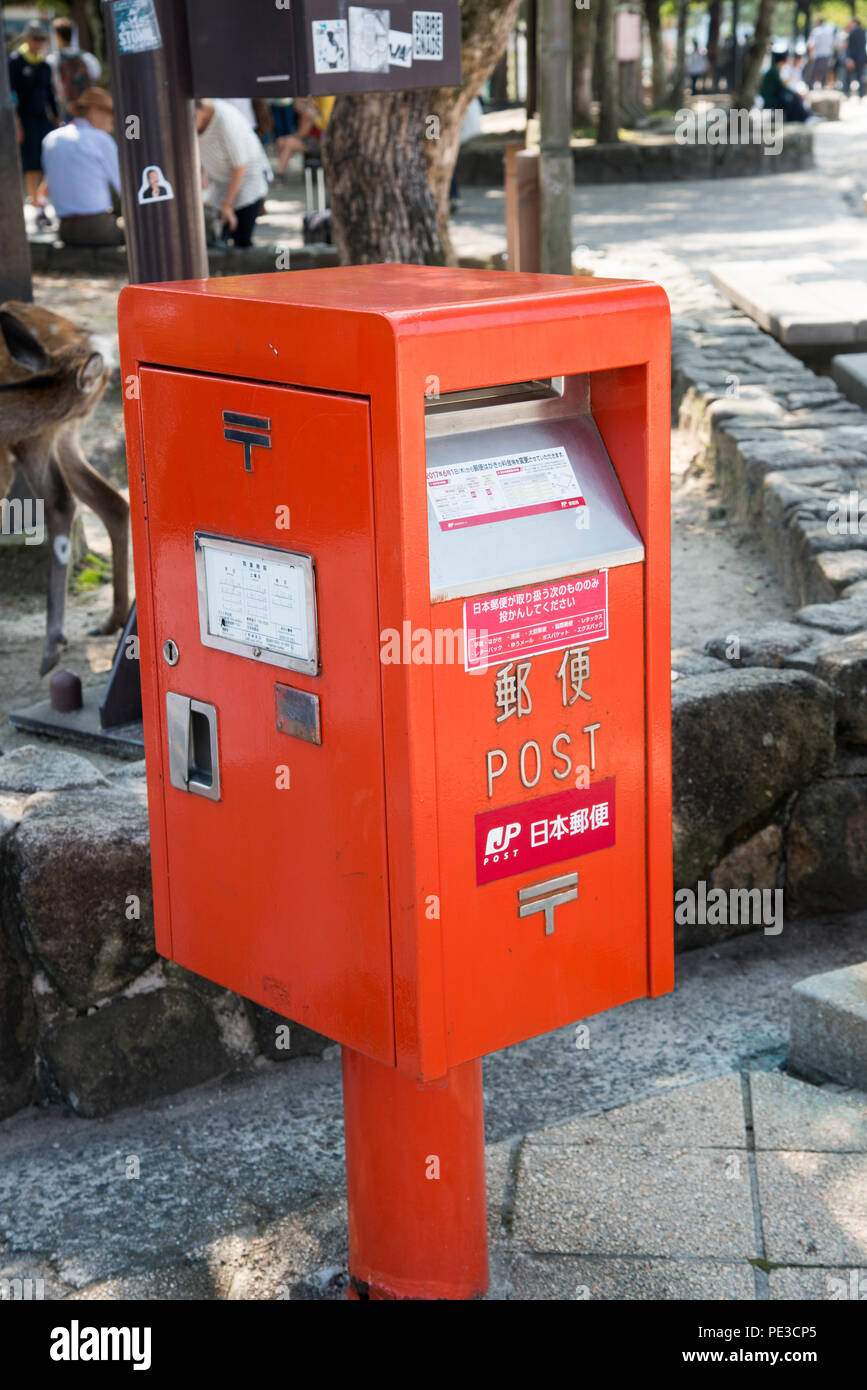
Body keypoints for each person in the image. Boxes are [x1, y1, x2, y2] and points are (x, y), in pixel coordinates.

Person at [40, 87, 124, 247]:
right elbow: (124, 188)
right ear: (94, 112)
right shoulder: (101, 139)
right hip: (98, 228)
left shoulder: (50, 139)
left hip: (64, 230)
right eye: (110, 116)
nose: (113, 124)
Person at [194, 98, 271, 248]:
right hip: (219, 186)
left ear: (198, 111)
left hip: (247, 185)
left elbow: (240, 166)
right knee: (214, 241)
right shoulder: (198, 118)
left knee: (241, 242)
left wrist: (228, 205)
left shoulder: (225, 120)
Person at [8, 21, 59, 221]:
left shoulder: (45, 65)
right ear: (27, 38)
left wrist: (56, 118)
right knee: (32, 164)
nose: (38, 44)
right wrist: (16, 123)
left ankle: (40, 199)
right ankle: (36, 205)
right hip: (25, 119)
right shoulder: (15, 62)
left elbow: (50, 94)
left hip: (45, 119)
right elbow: (11, 96)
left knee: (49, 161)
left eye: (41, 40)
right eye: (35, 39)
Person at [47, 17, 101, 118]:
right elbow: (96, 79)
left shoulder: (52, 60)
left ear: (57, 36)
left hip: (66, 111)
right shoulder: (88, 58)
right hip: (87, 110)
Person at [760, 49, 810, 122]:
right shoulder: (774, 72)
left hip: (773, 96)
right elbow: (782, 87)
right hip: (771, 98)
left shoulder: (774, 70)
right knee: (793, 100)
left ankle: (801, 117)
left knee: (793, 99)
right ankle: (800, 118)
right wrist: (795, 93)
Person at [807, 19, 836, 88]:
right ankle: (823, 86)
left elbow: (811, 44)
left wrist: (811, 53)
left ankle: (811, 87)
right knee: (824, 72)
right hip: (827, 55)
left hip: (817, 55)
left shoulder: (816, 31)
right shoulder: (829, 31)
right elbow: (833, 44)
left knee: (813, 72)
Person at [846, 17, 867, 99]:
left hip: (853, 58)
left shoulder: (853, 32)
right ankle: (861, 94)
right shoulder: (863, 32)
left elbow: (850, 47)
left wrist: (849, 58)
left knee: (848, 77)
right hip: (862, 58)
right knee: (860, 76)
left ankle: (847, 93)